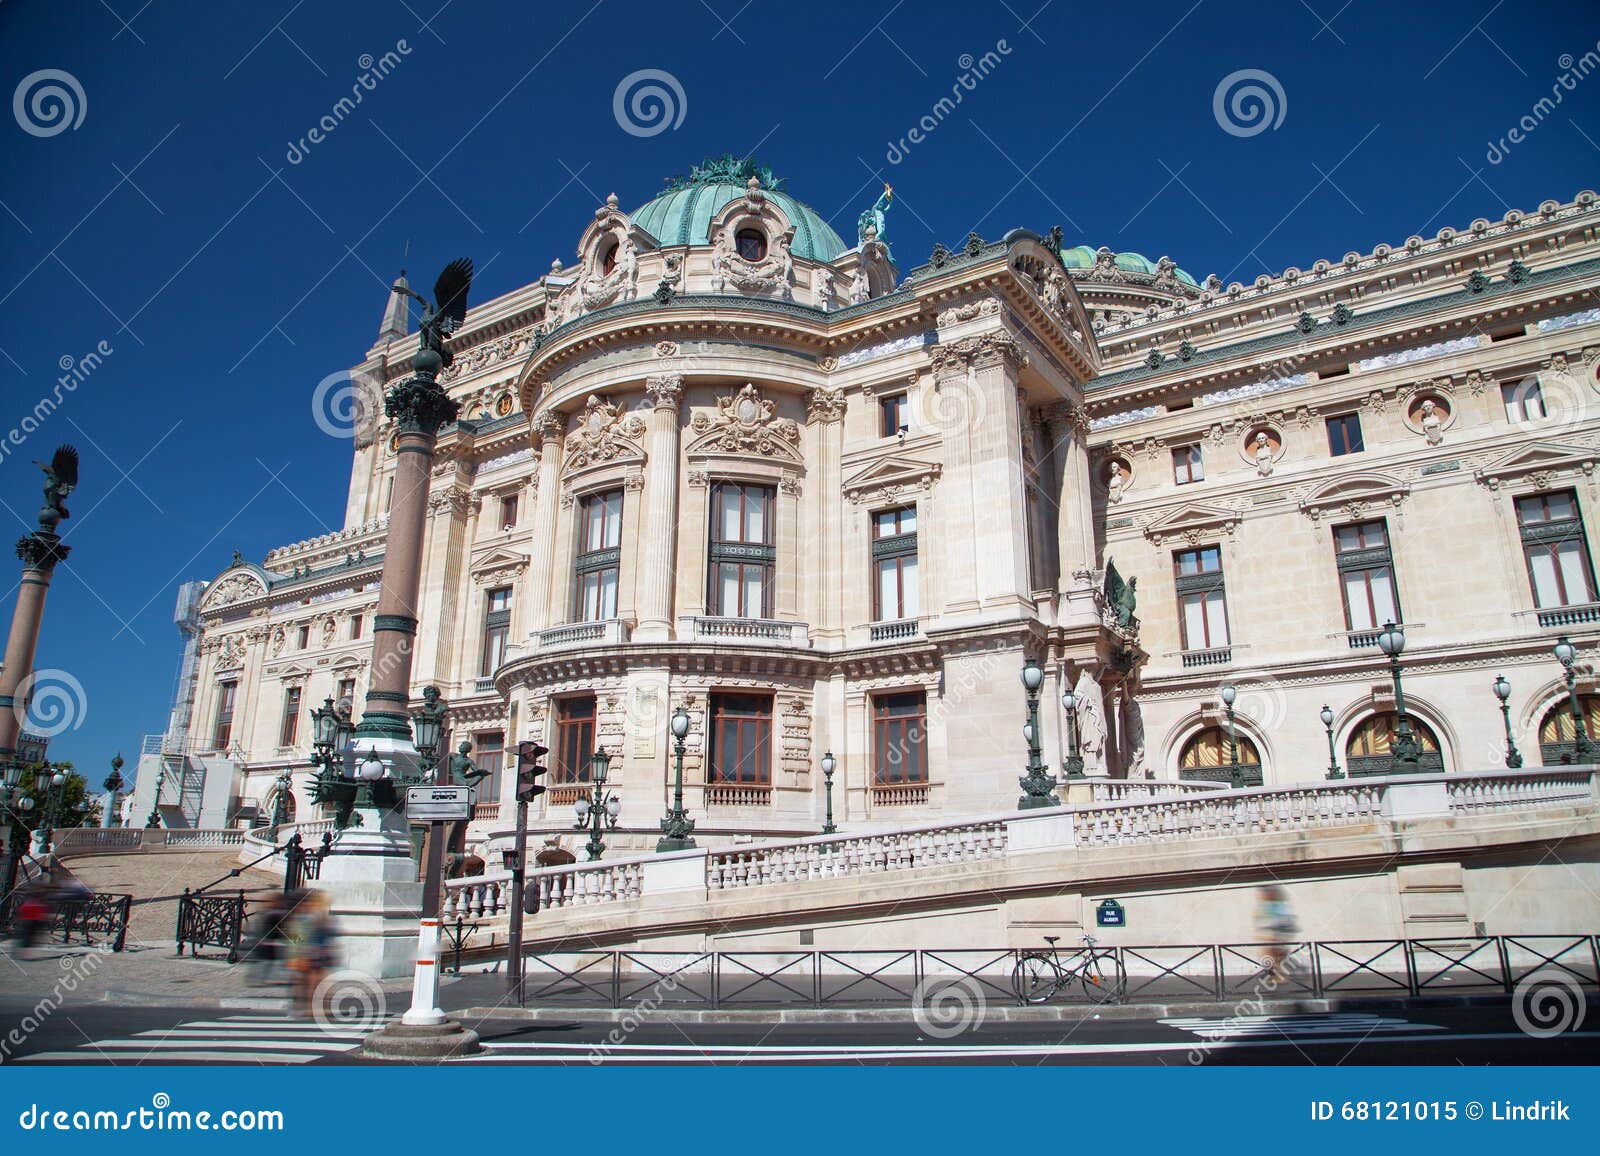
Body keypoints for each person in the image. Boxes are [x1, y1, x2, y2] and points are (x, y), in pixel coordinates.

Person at [287, 891, 336, 1016]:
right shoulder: (309, 917)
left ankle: (308, 1006)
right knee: (311, 980)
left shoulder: (312, 916)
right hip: (311, 951)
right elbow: (298, 935)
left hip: (314, 951)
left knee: (313, 980)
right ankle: (307, 1006)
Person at [1255, 883, 1300, 984]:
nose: (1261, 895)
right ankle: (1276, 974)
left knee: (1275, 956)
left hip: (1280, 934)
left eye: (1264, 893)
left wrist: (1269, 927)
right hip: (1273, 934)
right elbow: (1263, 919)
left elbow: (1282, 920)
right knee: (1269, 954)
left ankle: (1281, 976)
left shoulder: (1279, 905)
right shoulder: (1267, 905)